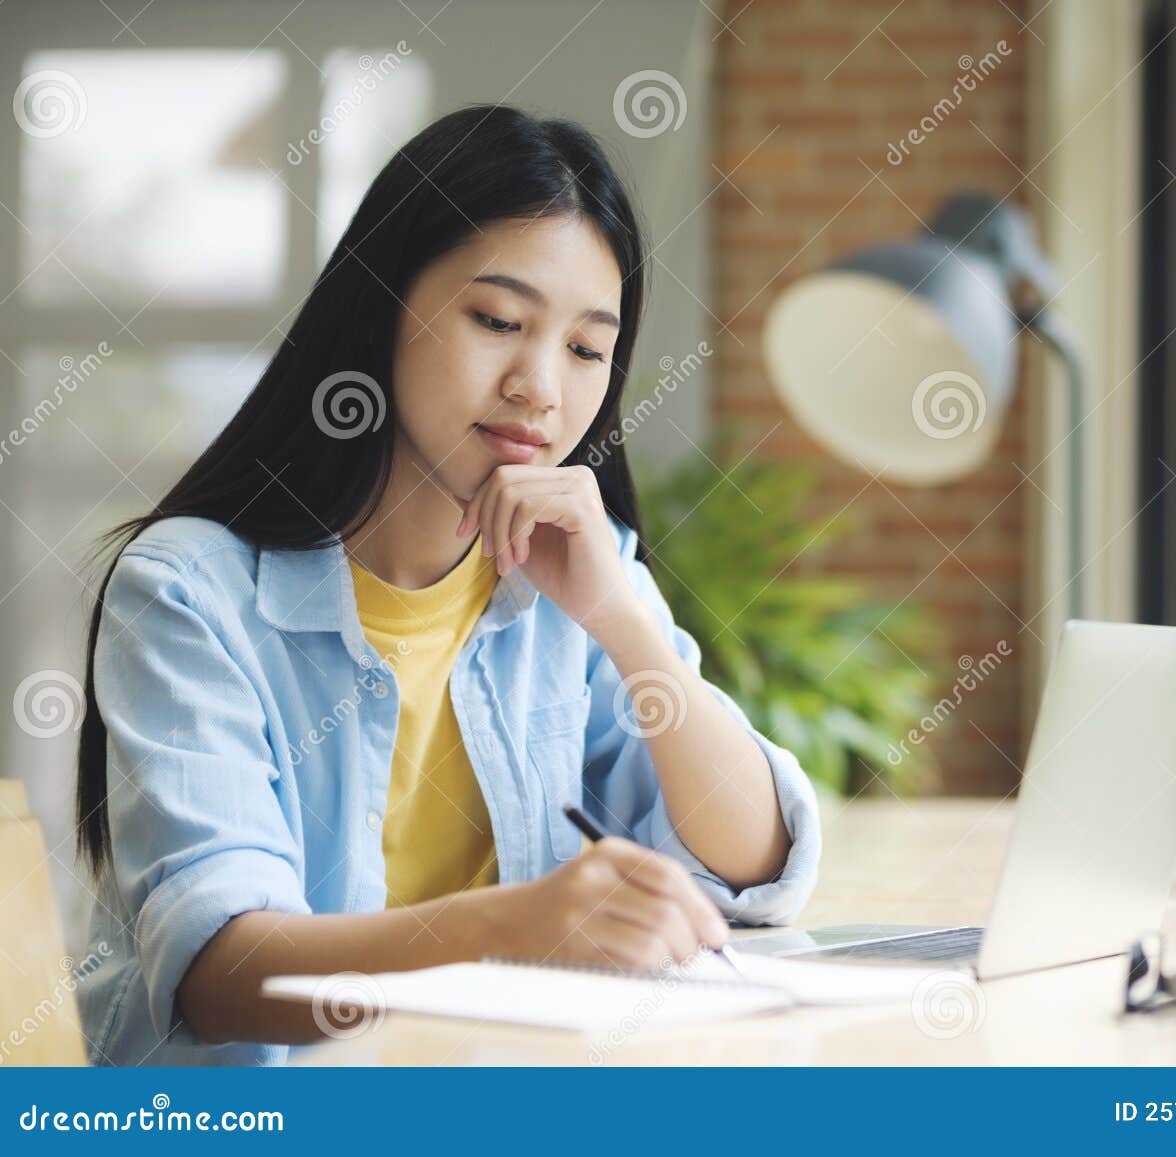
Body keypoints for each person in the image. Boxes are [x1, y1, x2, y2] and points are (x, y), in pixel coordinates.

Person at [71, 105, 821, 1066]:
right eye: (499, 321)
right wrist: (512, 927)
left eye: (586, 349)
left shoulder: (574, 577)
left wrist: (622, 620)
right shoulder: (186, 592)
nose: (540, 387)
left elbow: (754, 860)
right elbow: (224, 974)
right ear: (383, 307)